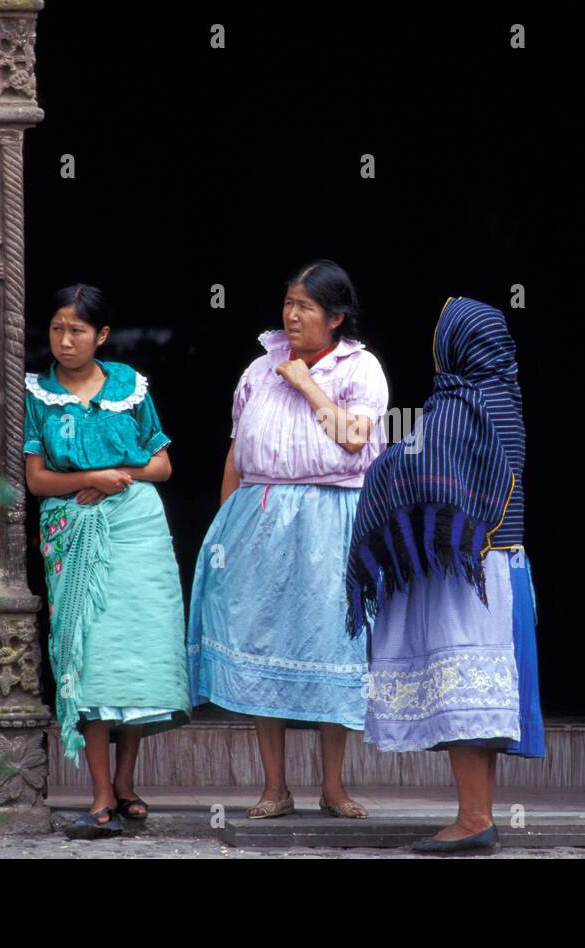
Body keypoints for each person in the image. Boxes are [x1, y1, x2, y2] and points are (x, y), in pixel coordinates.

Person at [187, 260, 389, 820]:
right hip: (258, 516)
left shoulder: (360, 368)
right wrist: (222, 532)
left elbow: (354, 440)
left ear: (336, 317)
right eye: (288, 303)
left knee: (333, 643)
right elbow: (235, 453)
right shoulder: (258, 370)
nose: (292, 315)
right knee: (260, 641)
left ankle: (333, 786)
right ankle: (274, 786)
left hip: (331, 520)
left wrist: (305, 384)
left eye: (305, 306)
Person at [347, 296, 545, 854]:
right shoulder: (503, 395)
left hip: (473, 574)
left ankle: (475, 819)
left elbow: (423, 469)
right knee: (474, 699)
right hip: (499, 564)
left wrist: (385, 470)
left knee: (465, 694)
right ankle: (474, 813)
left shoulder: (464, 404)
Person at [24, 284, 190, 839]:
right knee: (89, 654)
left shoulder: (130, 386)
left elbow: (162, 464)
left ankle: (126, 784)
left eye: (77, 330)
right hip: (72, 528)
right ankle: (98, 793)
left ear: (102, 336)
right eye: (56, 329)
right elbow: (37, 479)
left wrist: (118, 477)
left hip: (138, 528)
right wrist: (87, 480)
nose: (64, 340)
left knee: (133, 649)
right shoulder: (36, 392)